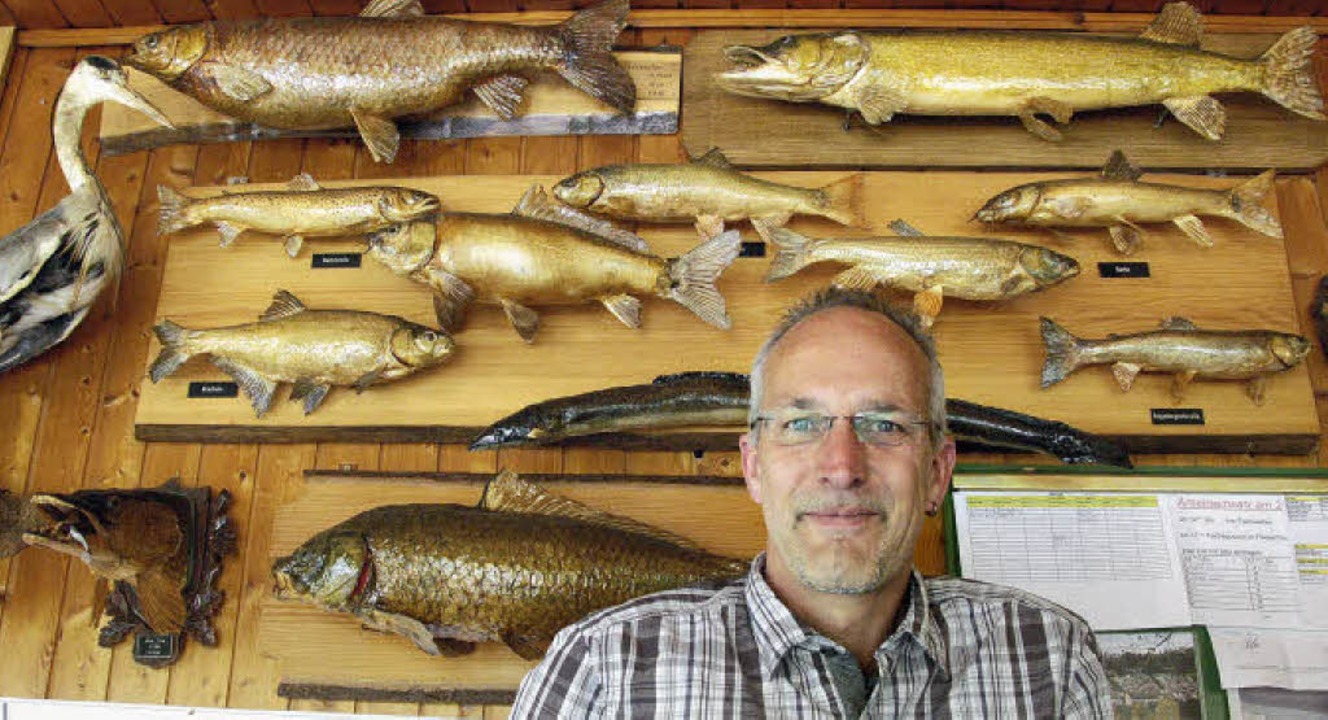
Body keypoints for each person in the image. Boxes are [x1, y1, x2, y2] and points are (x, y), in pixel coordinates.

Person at [511, 288, 1112, 718]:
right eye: (800, 425)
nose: (842, 467)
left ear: (937, 472)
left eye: (884, 425)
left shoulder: (1049, 656)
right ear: (753, 466)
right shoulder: (605, 671)